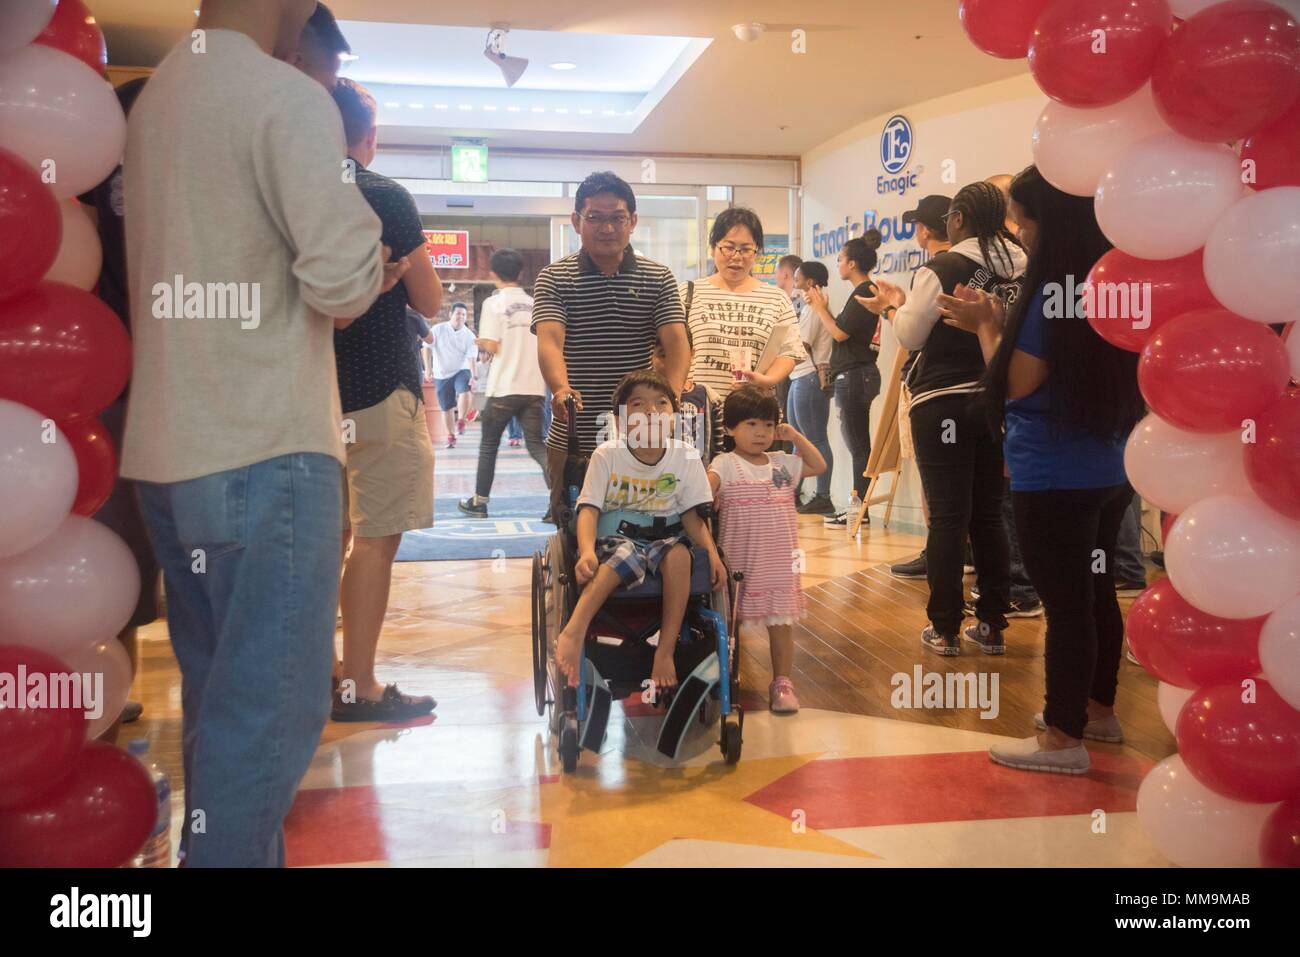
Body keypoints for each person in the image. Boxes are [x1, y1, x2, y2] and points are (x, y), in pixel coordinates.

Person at [122, 0, 404, 867]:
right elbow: (344, 281)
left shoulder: (155, 97)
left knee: (221, 707)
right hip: (268, 446)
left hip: (168, 446)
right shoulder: (283, 96)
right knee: (272, 714)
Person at [938, 165, 1144, 774]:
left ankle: (1062, 737)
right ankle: (1097, 712)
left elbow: (1020, 384)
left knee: (1066, 605)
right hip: (1109, 470)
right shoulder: (1108, 285)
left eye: (1024, 221)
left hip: (1053, 475)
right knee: (1096, 590)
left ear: (1049, 222)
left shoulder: (1050, 293)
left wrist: (985, 328)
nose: (1019, 232)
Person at [860, 182, 1027, 656]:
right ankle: (993, 624)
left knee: (949, 517)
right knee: (989, 514)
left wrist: (893, 305)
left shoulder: (944, 266)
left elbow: (912, 335)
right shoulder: (1023, 266)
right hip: (997, 402)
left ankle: (946, 628)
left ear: (957, 220)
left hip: (942, 402)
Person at [324, 77, 441, 722]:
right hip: (376, 391)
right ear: (368, 135)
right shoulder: (382, 195)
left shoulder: (289, 189)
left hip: (308, 397)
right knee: (373, 539)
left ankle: (325, 673)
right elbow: (429, 301)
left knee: (326, 538)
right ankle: (360, 684)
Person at [532, 171, 691, 524]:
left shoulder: (658, 277)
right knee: (574, 527)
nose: (607, 228)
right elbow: (550, 342)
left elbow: (677, 343)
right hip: (574, 430)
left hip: (640, 430)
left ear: (632, 221)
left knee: (642, 522)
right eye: (595, 218)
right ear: (577, 221)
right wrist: (560, 389)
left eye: (617, 218)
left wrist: (674, 396)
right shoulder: (555, 278)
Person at [554, 371, 724, 694]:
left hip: (667, 537)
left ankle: (666, 651)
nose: (651, 412)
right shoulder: (608, 455)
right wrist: (587, 551)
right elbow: (588, 509)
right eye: (638, 404)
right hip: (615, 540)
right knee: (625, 554)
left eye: (661, 404)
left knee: (679, 556)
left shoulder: (685, 456)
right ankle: (574, 629)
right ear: (619, 421)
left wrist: (713, 555)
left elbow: (692, 516)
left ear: (674, 418)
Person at [79, 77, 157, 737]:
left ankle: (114, 693)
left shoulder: (91, 185)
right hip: (124, 386)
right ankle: (110, 694)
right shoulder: (131, 188)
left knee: (119, 537)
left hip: (105, 382)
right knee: (123, 535)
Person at [709, 385, 827, 713]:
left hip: (777, 563)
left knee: (781, 625)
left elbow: (818, 466)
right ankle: (726, 675)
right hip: (739, 564)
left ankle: (782, 682)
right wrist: (710, 489)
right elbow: (709, 483)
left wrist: (795, 436)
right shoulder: (726, 462)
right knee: (730, 623)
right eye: (751, 425)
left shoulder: (782, 463)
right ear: (730, 429)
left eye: (767, 425)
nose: (761, 433)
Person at [459, 247, 548, 518]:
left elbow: (492, 345)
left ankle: (479, 502)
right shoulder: (535, 304)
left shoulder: (493, 304)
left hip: (504, 388)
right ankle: (558, 504)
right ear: (521, 273)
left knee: (489, 445)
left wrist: (478, 341)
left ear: (493, 273)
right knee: (536, 445)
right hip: (533, 387)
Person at [889, 196, 951, 580]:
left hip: (931, 387)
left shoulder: (934, 269)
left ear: (925, 230)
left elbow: (912, 336)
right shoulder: (985, 265)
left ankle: (937, 551)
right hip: (972, 390)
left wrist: (891, 309)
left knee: (933, 473)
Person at [682, 207, 802, 400]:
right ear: (713, 248)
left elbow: (790, 351)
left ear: (756, 253)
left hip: (754, 413)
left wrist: (766, 380)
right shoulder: (687, 293)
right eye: (728, 247)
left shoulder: (776, 299)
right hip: (697, 411)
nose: (736, 256)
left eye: (746, 249)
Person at [805, 236, 882, 534]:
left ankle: (858, 510)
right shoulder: (864, 291)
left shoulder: (864, 291)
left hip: (855, 376)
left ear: (852, 263)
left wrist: (819, 307)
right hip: (859, 375)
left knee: (859, 446)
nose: (837, 263)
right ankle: (859, 509)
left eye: (840, 258)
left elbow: (838, 334)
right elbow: (844, 330)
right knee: (860, 445)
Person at [785, 261, 836, 516]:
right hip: (799, 376)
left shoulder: (816, 306)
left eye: (798, 274)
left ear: (809, 280)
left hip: (810, 377)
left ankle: (823, 496)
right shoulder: (806, 304)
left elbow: (803, 343)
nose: (794, 277)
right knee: (796, 440)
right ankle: (791, 493)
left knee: (815, 439)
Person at [651, 328, 724, 465]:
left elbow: (719, 451)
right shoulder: (643, 400)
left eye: (678, 354)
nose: (671, 362)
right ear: (651, 357)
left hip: (700, 479)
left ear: (691, 354)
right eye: (663, 355)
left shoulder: (709, 397)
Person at [429, 302, 478, 447]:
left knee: (465, 389)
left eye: (464, 314)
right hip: (441, 374)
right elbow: (426, 348)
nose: (461, 316)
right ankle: (451, 436)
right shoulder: (438, 329)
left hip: (461, 369)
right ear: (450, 314)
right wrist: (428, 369)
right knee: (446, 407)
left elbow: (472, 358)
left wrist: (474, 377)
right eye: (458, 313)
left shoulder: (469, 335)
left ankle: (461, 420)